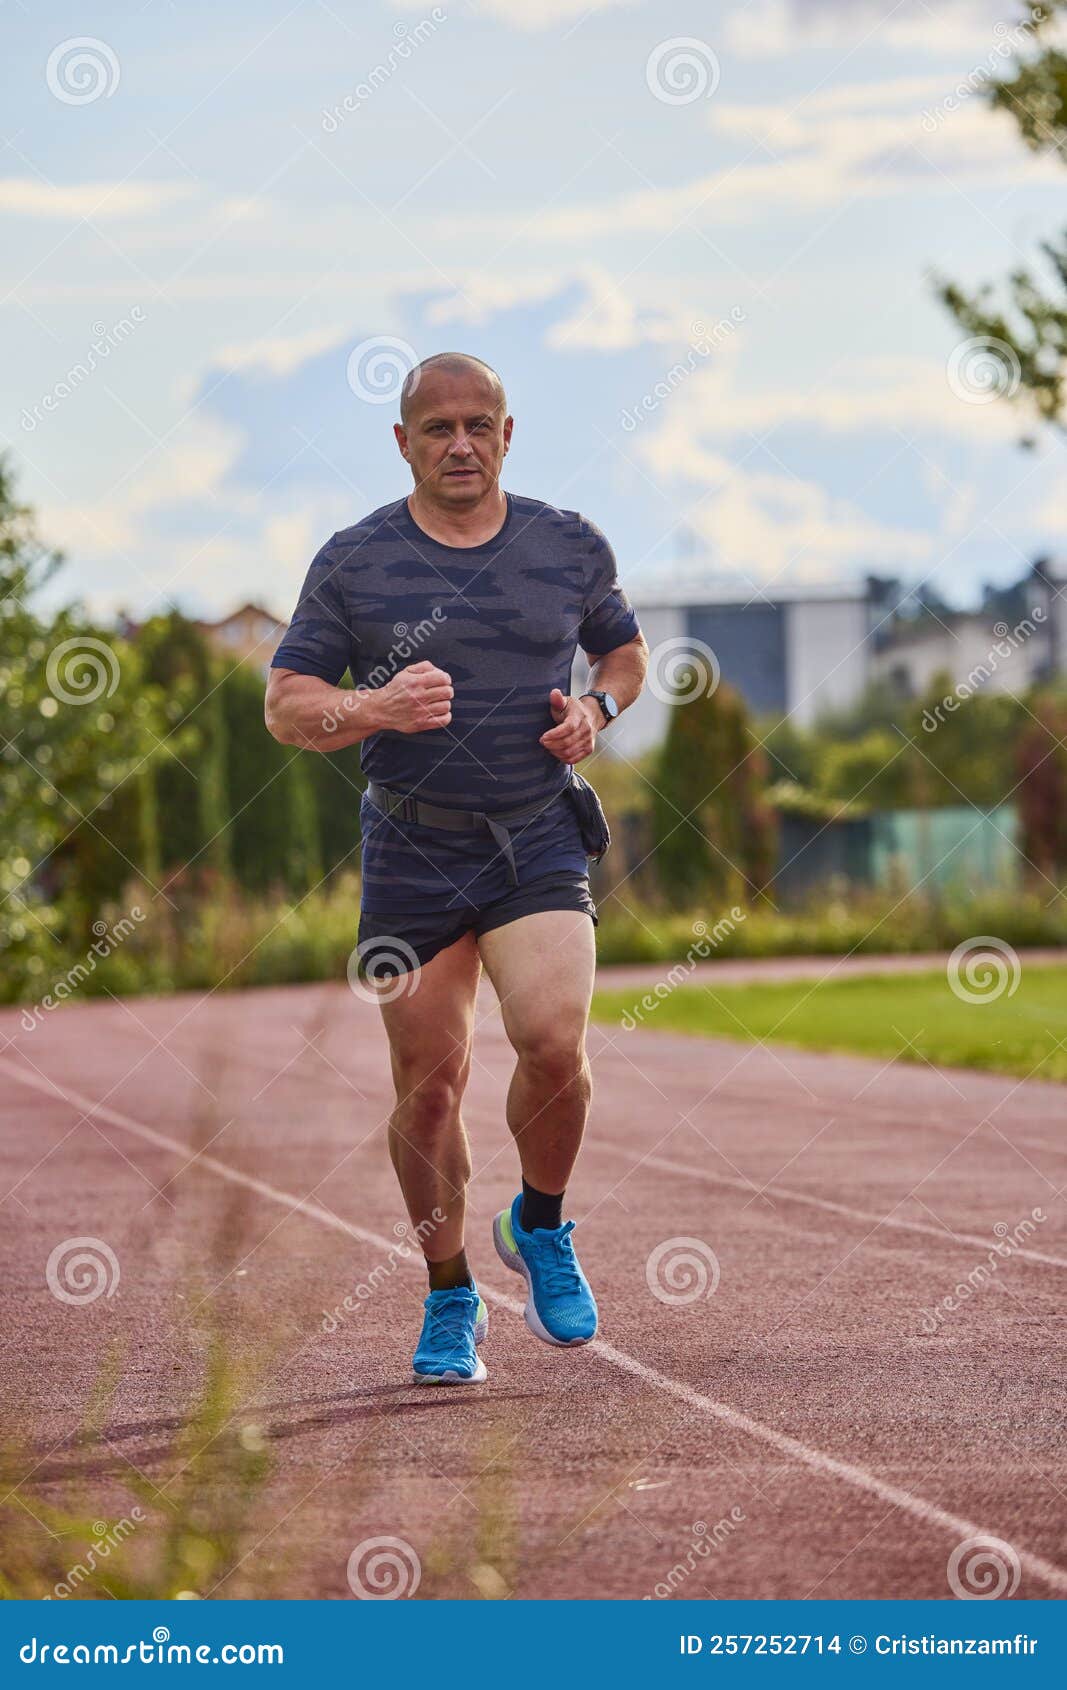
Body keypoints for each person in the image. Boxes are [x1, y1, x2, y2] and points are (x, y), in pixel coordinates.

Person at [265, 351, 647, 1384]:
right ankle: (448, 1294)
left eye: (479, 423)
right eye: (437, 428)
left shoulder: (567, 546)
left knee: (552, 1040)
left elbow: (624, 654)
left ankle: (541, 1223)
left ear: (508, 434)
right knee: (428, 1090)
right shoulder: (354, 561)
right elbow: (285, 701)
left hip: (534, 833)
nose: (461, 443)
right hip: (409, 845)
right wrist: (371, 708)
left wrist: (594, 711)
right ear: (402, 443)